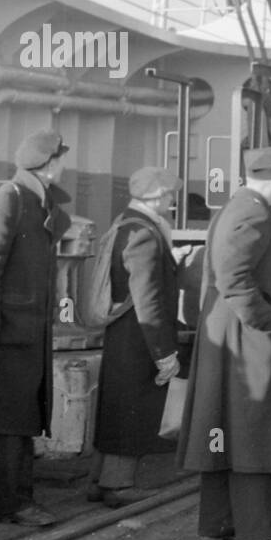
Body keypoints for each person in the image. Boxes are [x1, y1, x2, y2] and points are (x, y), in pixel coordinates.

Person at [178, 146, 271, 540]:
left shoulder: (236, 207)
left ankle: (220, 522)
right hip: (245, 336)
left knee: (224, 429)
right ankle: (264, 530)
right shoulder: (252, 213)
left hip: (228, 332)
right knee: (256, 430)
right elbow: (234, 278)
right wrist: (267, 321)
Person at [0, 129, 72, 526]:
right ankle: (15, 504)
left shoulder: (34, 199)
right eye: (60, 158)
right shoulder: (7, 199)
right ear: (50, 163)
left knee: (15, 419)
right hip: (5, 333)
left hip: (24, 331)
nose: (64, 164)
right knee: (9, 421)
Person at [87, 167, 184, 508]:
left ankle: (99, 479)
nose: (172, 202)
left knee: (116, 406)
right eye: (170, 196)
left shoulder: (125, 223)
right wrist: (164, 354)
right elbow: (148, 300)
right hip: (139, 338)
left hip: (123, 333)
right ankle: (118, 484)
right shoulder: (145, 234)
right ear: (157, 196)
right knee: (131, 410)